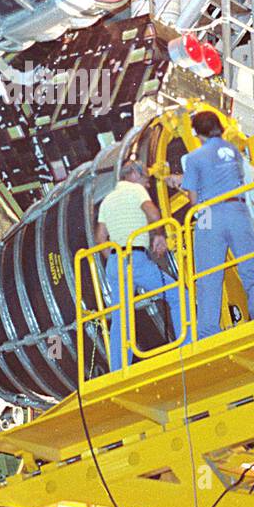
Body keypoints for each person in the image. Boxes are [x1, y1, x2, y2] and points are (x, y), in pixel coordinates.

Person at [175, 109, 254, 339]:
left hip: (209, 215)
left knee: (209, 276)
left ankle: (208, 332)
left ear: (196, 132)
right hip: (238, 210)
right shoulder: (233, 151)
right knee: (251, 270)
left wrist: (179, 184)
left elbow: (194, 200)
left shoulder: (194, 158)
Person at [95, 159, 181, 371]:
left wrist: (116, 261)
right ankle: (186, 344)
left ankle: (119, 368)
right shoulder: (136, 190)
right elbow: (153, 213)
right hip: (135, 258)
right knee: (178, 295)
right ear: (132, 174)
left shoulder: (107, 200)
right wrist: (159, 235)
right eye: (144, 176)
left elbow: (100, 238)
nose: (147, 182)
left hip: (116, 261)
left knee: (120, 316)